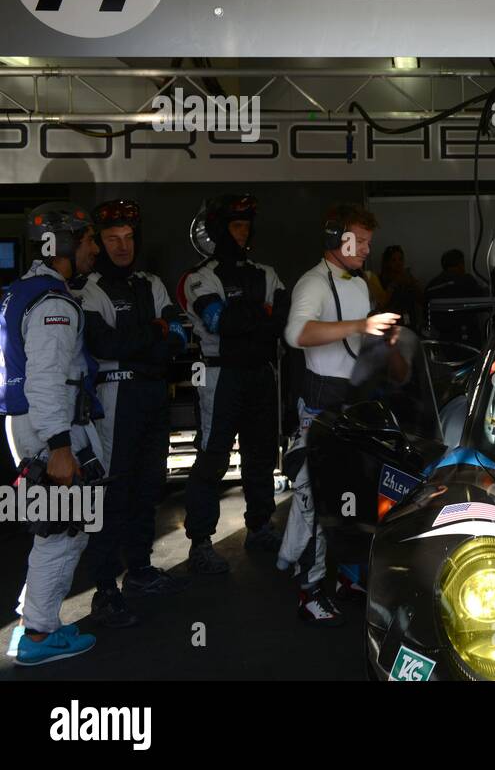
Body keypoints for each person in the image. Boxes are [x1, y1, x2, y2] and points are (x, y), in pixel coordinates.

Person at [280, 204, 399, 624]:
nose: (368, 250)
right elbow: (296, 334)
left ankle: (350, 576)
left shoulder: (360, 282)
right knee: (317, 504)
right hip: (321, 409)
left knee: (358, 498)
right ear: (336, 239)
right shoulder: (312, 282)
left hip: (356, 407)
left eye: (369, 241)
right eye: (360, 241)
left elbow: (357, 337)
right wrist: (359, 327)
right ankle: (309, 591)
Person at [75, 200, 191, 629]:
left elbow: (177, 337)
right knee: (113, 493)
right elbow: (104, 346)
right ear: (100, 243)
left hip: (152, 393)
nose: (122, 247)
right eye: (111, 239)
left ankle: (139, 572)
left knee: (148, 487)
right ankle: (104, 589)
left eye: (127, 238)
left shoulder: (152, 283)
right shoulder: (90, 289)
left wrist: (147, 339)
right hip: (116, 399)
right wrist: (153, 336)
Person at [0, 203, 101, 664]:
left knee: (55, 528)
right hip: (50, 428)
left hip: (33, 425)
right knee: (62, 533)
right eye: (88, 241)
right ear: (64, 245)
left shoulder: (21, 291)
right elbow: (44, 380)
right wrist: (60, 447)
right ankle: (38, 635)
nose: (94, 249)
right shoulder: (53, 302)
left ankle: (31, 622)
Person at [179, 194, 288, 574]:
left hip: (261, 372)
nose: (242, 233)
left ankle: (259, 526)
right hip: (219, 375)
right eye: (235, 226)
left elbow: (283, 323)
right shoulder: (199, 276)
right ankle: (200, 542)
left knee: (260, 455)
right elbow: (219, 322)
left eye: (245, 226)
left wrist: (246, 317)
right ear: (219, 231)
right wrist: (260, 316)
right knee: (212, 458)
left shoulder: (266, 272)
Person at [424, 248, 486, 345]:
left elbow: (426, 312)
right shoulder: (466, 281)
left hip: (442, 339)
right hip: (468, 336)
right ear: (461, 264)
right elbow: (483, 301)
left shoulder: (432, 286)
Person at [368, 245, 422, 326]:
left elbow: (421, 300)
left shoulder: (408, 277)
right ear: (387, 263)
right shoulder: (380, 280)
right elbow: (379, 306)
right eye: (393, 260)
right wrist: (393, 285)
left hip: (410, 323)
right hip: (390, 325)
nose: (398, 263)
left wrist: (413, 284)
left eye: (400, 259)